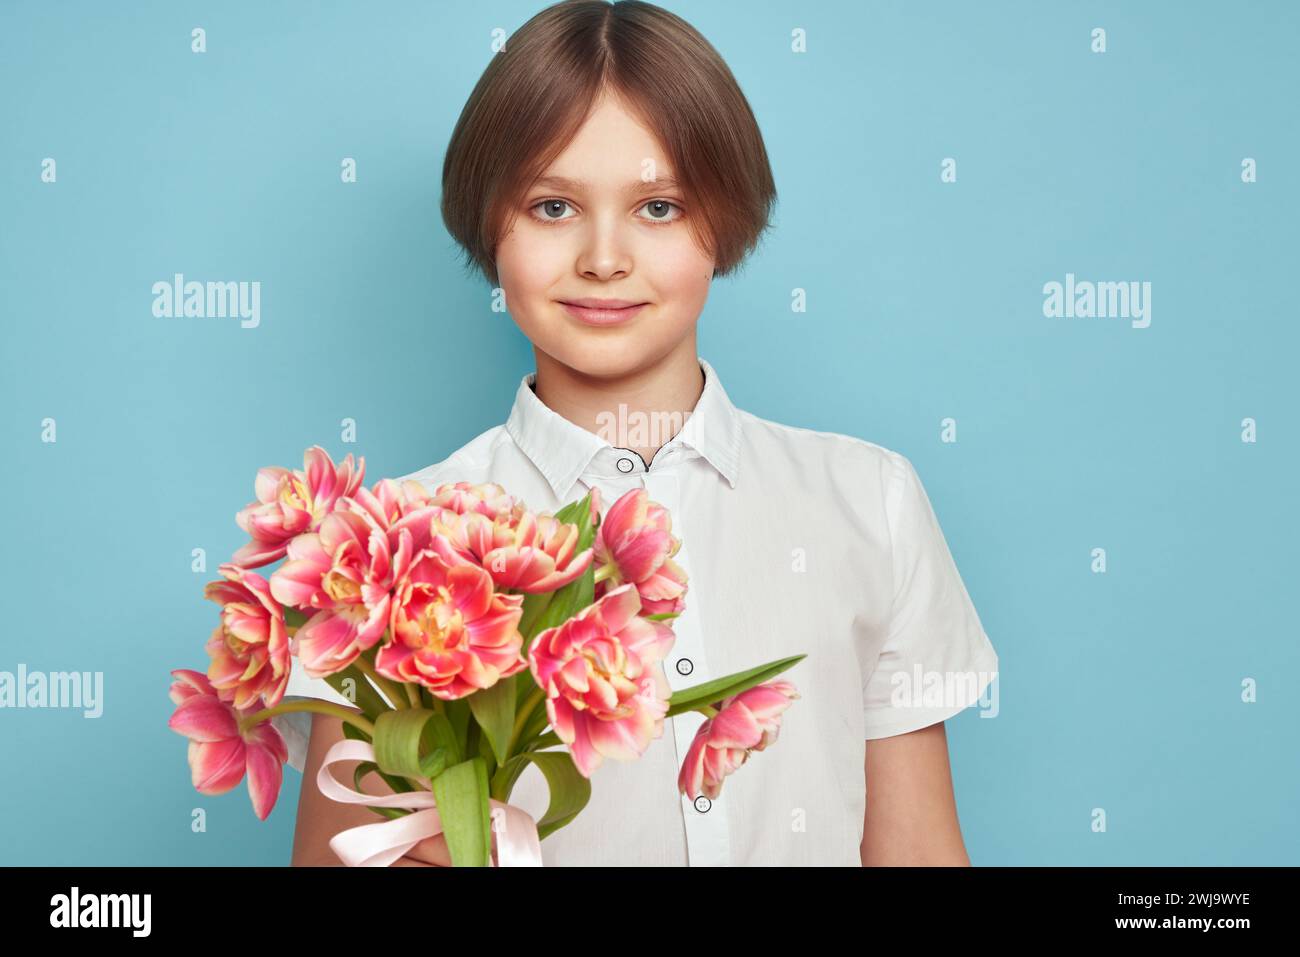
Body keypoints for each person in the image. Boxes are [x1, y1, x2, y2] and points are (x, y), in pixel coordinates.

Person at [280, 0, 999, 866]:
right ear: (487, 222)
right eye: (552, 206)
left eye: (658, 206)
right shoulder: (390, 550)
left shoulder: (868, 501)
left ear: (724, 222)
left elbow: (919, 850)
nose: (604, 257)